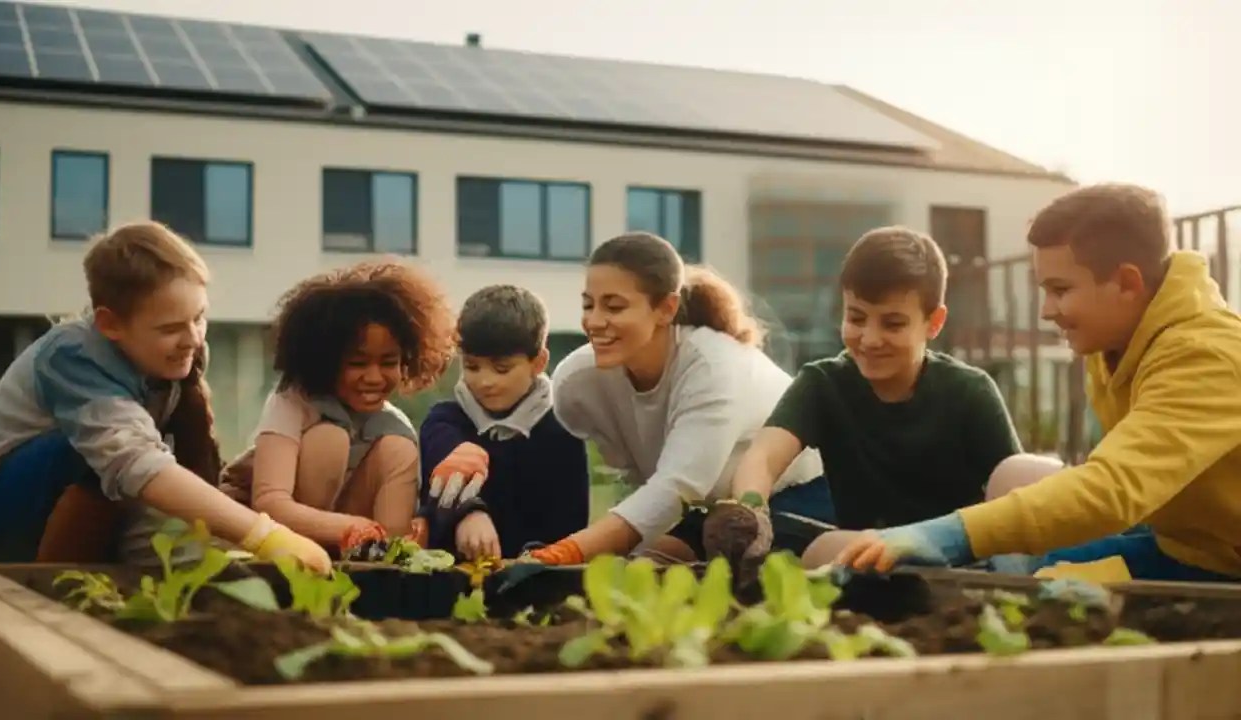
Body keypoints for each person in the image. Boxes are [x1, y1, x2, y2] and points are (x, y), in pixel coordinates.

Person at [837, 183, 1241, 582]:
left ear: (1127, 283)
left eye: (1060, 290)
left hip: (1223, 566)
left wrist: (947, 535)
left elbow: (1113, 488)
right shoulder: (1118, 340)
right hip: (1187, 550)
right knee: (1024, 574)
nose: (1047, 311)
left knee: (1043, 588)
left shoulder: (1205, 356)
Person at [0, 222, 330, 572]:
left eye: (199, 317)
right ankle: (53, 585)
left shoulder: (178, 353)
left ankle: (130, 569)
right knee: (103, 452)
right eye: (170, 328)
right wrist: (264, 535)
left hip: (87, 497)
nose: (192, 338)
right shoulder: (73, 357)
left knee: (145, 470)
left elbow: (167, 466)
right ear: (110, 324)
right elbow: (135, 464)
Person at [702, 226, 1022, 569]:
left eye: (893, 324)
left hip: (956, 560)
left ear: (934, 322)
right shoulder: (823, 383)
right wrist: (750, 507)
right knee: (820, 547)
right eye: (856, 318)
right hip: (861, 555)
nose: (869, 339)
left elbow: (1014, 488)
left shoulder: (970, 391)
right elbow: (764, 457)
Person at [526, 232, 824, 565]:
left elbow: (676, 488)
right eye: (588, 304)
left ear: (666, 309)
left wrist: (558, 555)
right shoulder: (578, 382)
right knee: (642, 568)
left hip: (794, 497)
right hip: (705, 512)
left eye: (614, 306)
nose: (594, 321)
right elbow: (643, 489)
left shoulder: (711, 366)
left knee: (745, 573)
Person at [220, 260, 454, 555]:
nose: (373, 377)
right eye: (357, 363)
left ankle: (379, 567)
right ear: (325, 360)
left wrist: (398, 538)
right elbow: (270, 502)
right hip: (273, 538)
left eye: (388, 363)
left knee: (400, 448)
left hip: (347, 543)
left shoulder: (393, 426)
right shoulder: (292, 403)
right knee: (329, 438)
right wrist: (350, 528)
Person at [418, 285, 590, 560]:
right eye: (472, 367)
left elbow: (568, 528)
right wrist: (468, 511)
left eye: (502, 369)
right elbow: (437, 483)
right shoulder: (445, 421)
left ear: (538, 362)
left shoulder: (562, 431)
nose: (485, 382)